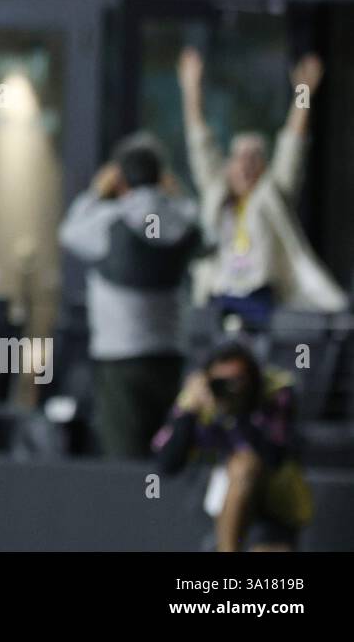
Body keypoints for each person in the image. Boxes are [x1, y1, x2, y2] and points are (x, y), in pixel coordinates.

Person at [177, 48, 346, 334]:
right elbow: (199, 141)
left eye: (253, 159)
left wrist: (303, 94)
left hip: (261, 300)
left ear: (263, 167)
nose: (244, 167)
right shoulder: (217, 195)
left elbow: (293, 143)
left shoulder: (272, 195)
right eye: (239, 158)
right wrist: (191, 87)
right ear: (229, 165)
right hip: (219, 297)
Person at [59, 135, 202, 459]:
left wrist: (97, 191)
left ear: (119, 178)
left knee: (125, 459)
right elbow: (202, 224)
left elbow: (68, 232)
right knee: (167, 455)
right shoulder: (180, 219)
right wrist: (174, 190)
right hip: (170, 354)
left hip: (120, 358)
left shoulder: (110, 220)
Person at [152, 342, 312, 551]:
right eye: (222, 382)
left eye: (238, 380)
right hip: (209, 496)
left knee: (244, 465)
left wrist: (235, 415)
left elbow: (273, 454)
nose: (231, 388)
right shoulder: (196, 398)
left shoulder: (275, 391)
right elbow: (167, 463)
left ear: (253, 378)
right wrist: (190, 412)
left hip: (270, 500)